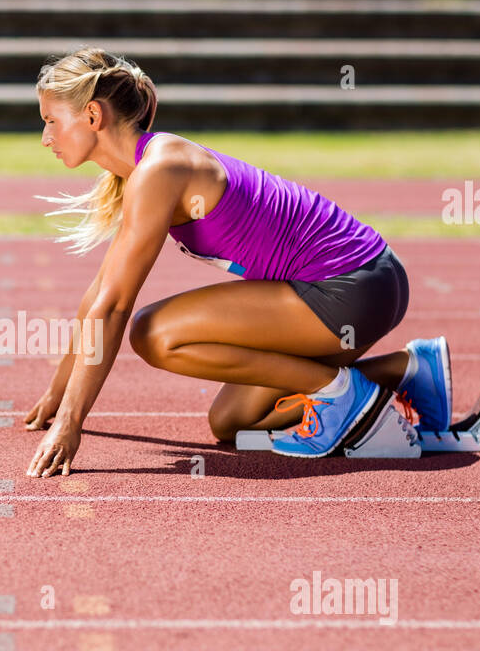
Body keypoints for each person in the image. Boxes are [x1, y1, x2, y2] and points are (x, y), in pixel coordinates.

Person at [24, 47, 451, 478]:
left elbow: (115, 307)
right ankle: (409, 369)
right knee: (232, 421)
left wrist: (70, 425)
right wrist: (58, 393)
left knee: (153, 333)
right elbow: (100, 292)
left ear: (93, 116)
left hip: (352, 287)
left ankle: (335, 390)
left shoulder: (160, 170)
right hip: (365, 285)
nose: (46, 137)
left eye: (51, 121)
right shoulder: (144, 170)